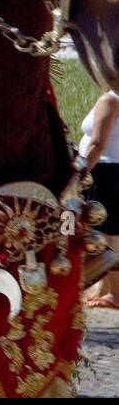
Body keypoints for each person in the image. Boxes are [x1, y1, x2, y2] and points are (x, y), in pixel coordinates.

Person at [79, 91, 119, 309]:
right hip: (112, 169)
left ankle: (114, 293)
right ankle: (104, 289)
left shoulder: (110, 99)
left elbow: (97, 144)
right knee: (110, 232)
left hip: (105, 171)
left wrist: (78, 172)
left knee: (108, 234)